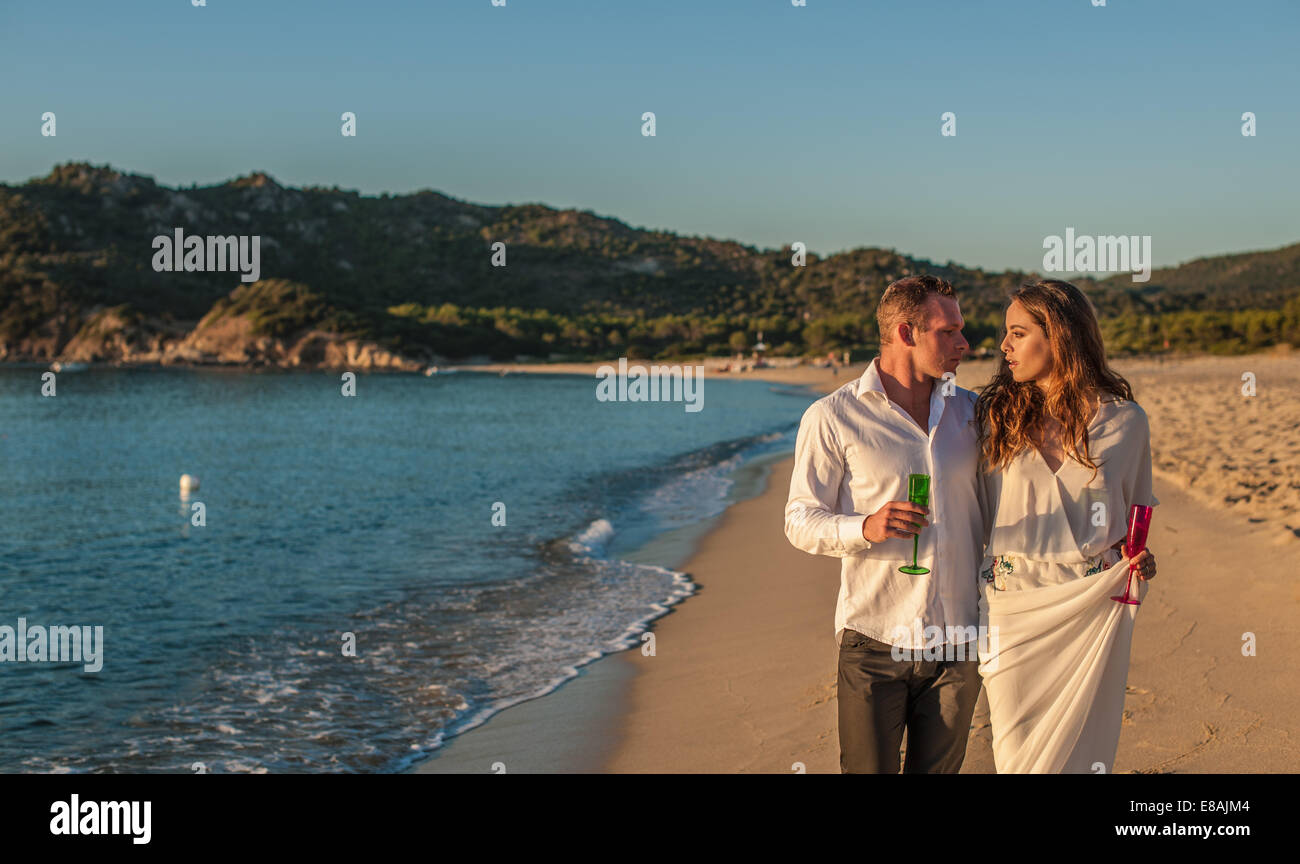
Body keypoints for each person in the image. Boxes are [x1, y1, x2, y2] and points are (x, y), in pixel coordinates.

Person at [784, 275, 983, 773]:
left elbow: (1016, 502)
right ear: (906, 333)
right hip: (873, 638)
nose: (964, 343)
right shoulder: (832, 416)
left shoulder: (974, 412)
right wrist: (865, 527)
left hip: (958, 639)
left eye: (962, 330)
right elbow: (799, 519)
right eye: (949, 331)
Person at [974, 279, 1157, 774]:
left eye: (1017, 333)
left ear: (1058, 336)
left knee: (1079, 752)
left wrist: (1141, 558)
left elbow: (1136, 518)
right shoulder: (992, 418)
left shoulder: (1126, 422)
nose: (1003, 346)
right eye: (1005, 334)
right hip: (1009, 608)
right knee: (1016, 757)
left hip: (1090, 606)